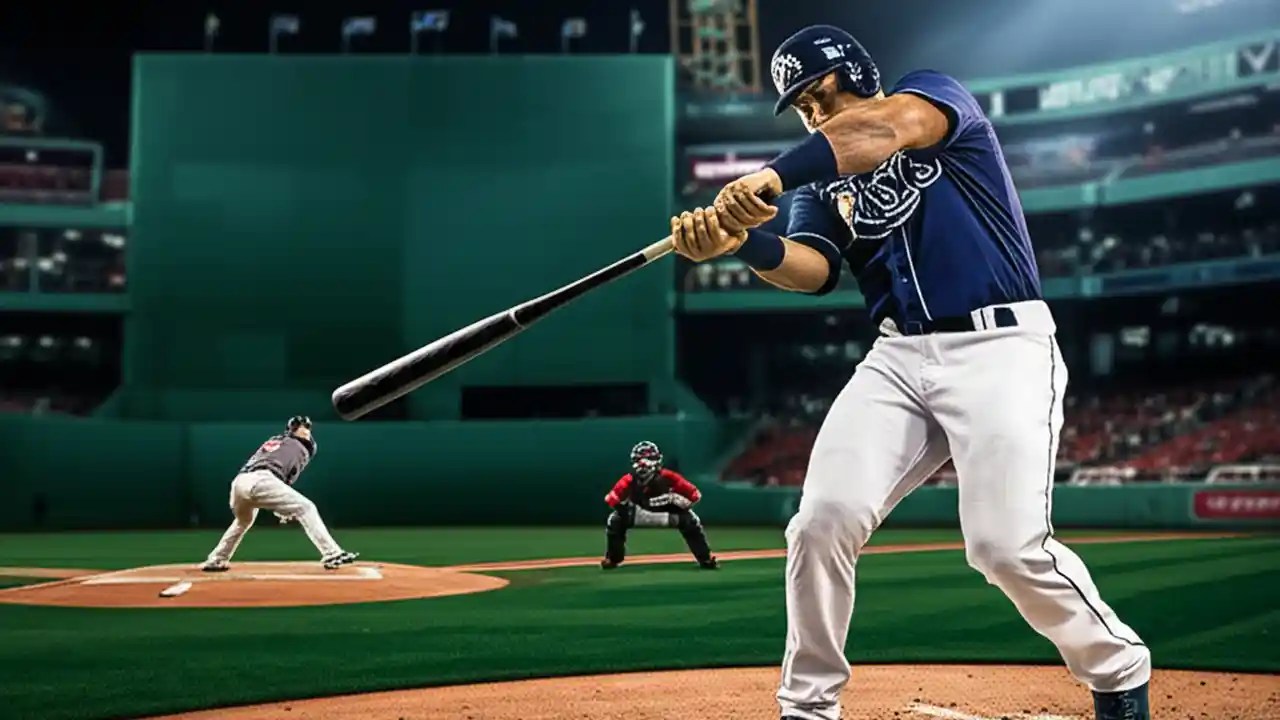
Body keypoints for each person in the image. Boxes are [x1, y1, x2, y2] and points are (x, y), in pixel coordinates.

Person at [669, 25, 1151, 720]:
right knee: (820, 522)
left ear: (856, 71)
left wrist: (770, 176)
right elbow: (811, 270)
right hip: (898, 358)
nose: (812, 108)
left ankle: (1118, 666)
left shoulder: (932, 98)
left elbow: (878, 130)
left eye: (819, 89)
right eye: (800, 103)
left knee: (1003, 547)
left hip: (1001, 349)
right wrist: (742, 240)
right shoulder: (821, 183)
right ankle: (808, 708)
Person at [200, 416, 358, 572]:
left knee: (243, 521)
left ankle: (216, 559)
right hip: (262, 479)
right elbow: (288, 476)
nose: (304, 430)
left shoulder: (276, 439)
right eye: (301, 427)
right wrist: (282, 509)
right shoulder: (302, 447)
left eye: (305, 427)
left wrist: (281, 507)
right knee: (306, 508)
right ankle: (331, 553)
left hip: (240, 482)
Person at [601, 441, 718, 570]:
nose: (643, 464)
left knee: (691, 520)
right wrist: (621, 507)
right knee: (615, 520)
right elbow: (611, 497)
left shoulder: (669, 477)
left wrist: (682, 502)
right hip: (640, 514)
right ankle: (613, 558)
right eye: (639, 460)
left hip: (667, 514)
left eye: (648, 459)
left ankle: (705, 558)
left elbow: (695, 494)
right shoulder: (629, 479)